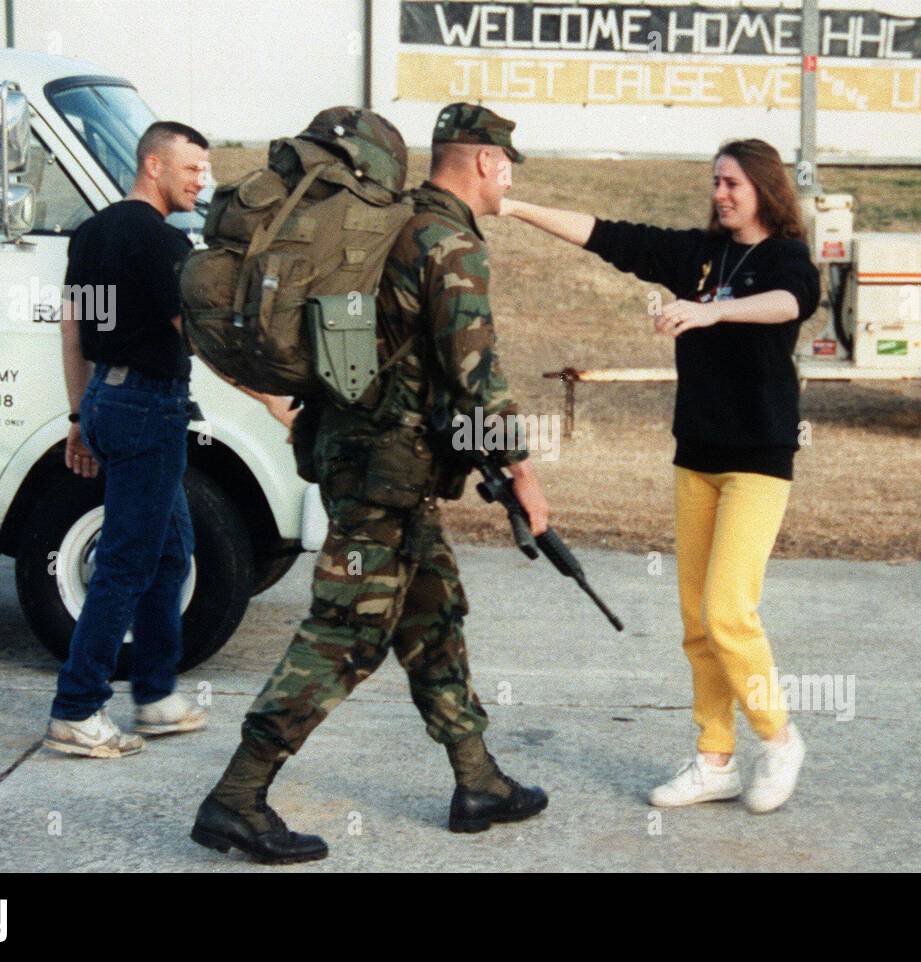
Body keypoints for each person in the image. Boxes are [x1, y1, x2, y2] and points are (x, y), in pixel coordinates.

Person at [190, 104, 550, 865]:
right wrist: (523, 474)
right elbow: (476, 378)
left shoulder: (391, 224)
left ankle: (477, 777)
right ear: (484, 161)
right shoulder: (447, 242)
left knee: (433, 614)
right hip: (383, 474)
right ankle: (236, 797)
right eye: (506, 162)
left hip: (367, 462)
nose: (509, 176)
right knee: (345, 632)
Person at [501, 138, 820, 814]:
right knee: (696, 624)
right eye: (715, 183)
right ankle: (714, 761)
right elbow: (605, 235)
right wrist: (513, 207)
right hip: (696, 456)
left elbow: (788, 304)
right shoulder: (699, 256)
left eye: (732, 182)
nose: (721, 194)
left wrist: (709, 311)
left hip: (758, 458)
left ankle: (780, 737)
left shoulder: (785, 257)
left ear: (765, 186)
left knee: (730, 612)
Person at [44, 121, 215, 758]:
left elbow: (72, 331)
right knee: (125, 563)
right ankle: (77, 708)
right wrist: (276, 397)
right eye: (192, 168)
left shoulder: (92, 233)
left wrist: (78, 415)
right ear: (153, 165)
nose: (203, 180)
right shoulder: (162, 242)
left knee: (170, 553)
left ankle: (155, 696)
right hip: (148, 406)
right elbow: (194, 333)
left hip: (109, 400)